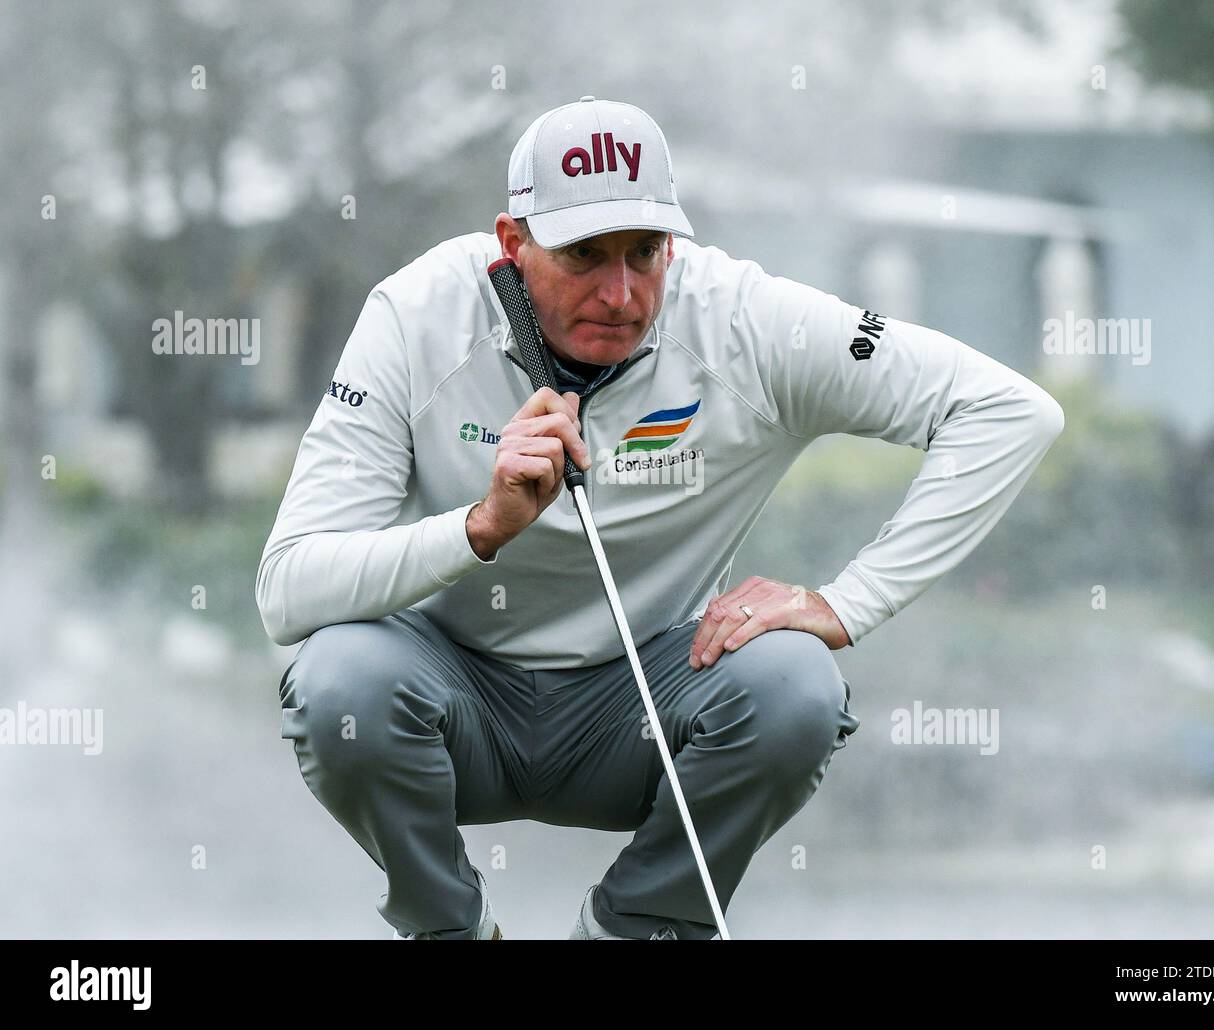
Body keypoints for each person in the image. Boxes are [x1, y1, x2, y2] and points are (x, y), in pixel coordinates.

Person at [256, 95, 1064, 940]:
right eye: (583, 254)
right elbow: (287, 592)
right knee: (339, 679)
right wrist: (480, 527)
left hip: (644, 713)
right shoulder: (414, 313)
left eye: (644, 252)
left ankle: (637, 930)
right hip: (452, 705)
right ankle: (449, 930)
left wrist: (845, 603)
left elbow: (1008, 411)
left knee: (795, 684)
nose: (620, 293)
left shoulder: (747, 321)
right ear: (512, 243)